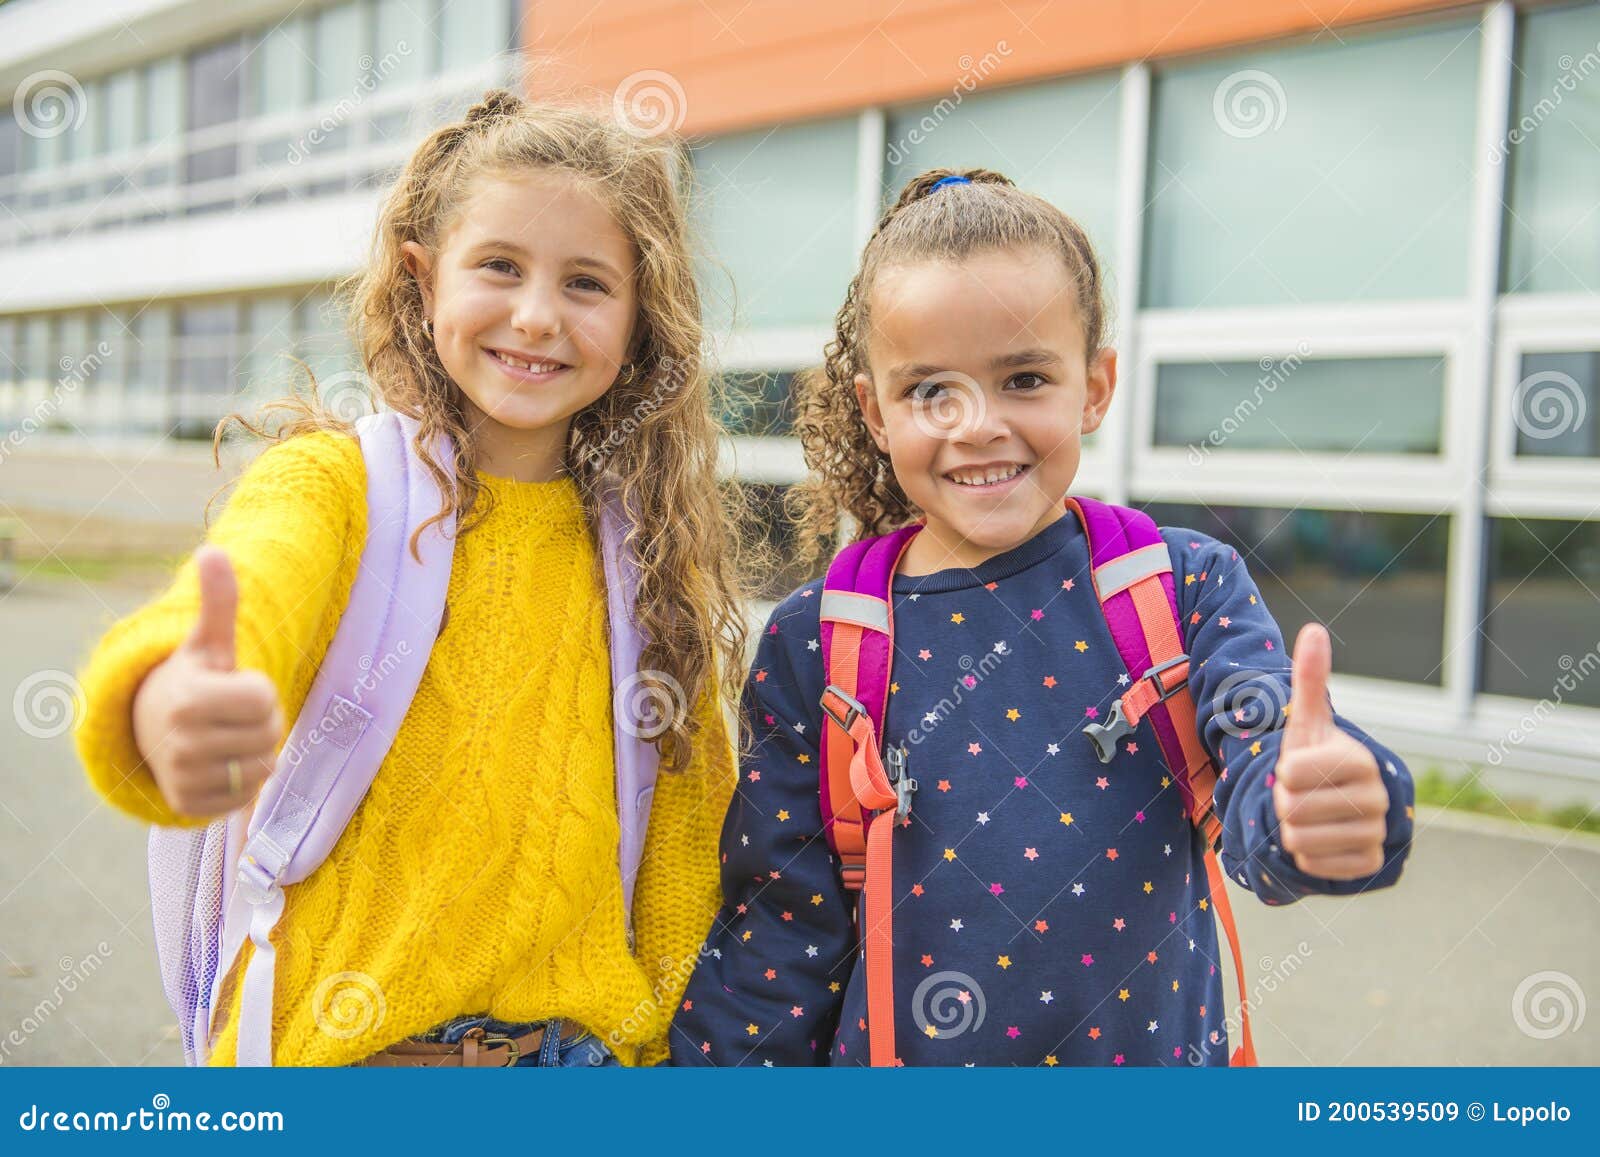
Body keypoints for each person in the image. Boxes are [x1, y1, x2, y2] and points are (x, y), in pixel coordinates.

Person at [670, 168, 1415, 1067]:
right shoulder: (815, 641)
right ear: (874, 410)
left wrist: (1317, 806)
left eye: (1024, 377)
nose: (979, 425)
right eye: (930, 391)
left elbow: (1266, 763)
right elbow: (779, 944)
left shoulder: (1181, 586)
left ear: (1094, 386)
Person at [75, 90, 745, 1068]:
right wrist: (168, 700)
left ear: (641, 317)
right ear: (421, 279)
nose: (536, 315)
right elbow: (237, 599)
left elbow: (684, 855)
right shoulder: (333, 486)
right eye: (500, 266)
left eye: (588, 283)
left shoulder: (650, 556)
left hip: (587, 1066)